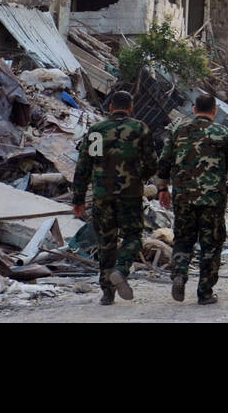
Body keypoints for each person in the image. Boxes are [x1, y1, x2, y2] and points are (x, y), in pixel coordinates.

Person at [157, 92, 228, 305]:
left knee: (183, 240)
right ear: (215, 111)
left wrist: (162, 189)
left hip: (183, 198)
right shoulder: (222, 133)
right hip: (212, 200)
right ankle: (205, 292)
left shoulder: (177, 131)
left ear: (194, 110)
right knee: (211, 244)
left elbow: (164, 162)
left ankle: (179, 275)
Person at [72, 90, 156, 306]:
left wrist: (78, 199)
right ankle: (121, 269)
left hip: (103, 196)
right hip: (130, 195)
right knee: (133, 236)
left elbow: (85, 165)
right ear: (131, 107)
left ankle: (107, 292)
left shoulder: (98, 131)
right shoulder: (139, 129)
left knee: (106, 242)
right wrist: (139, 179)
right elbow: (151, 164)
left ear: (110, 107)